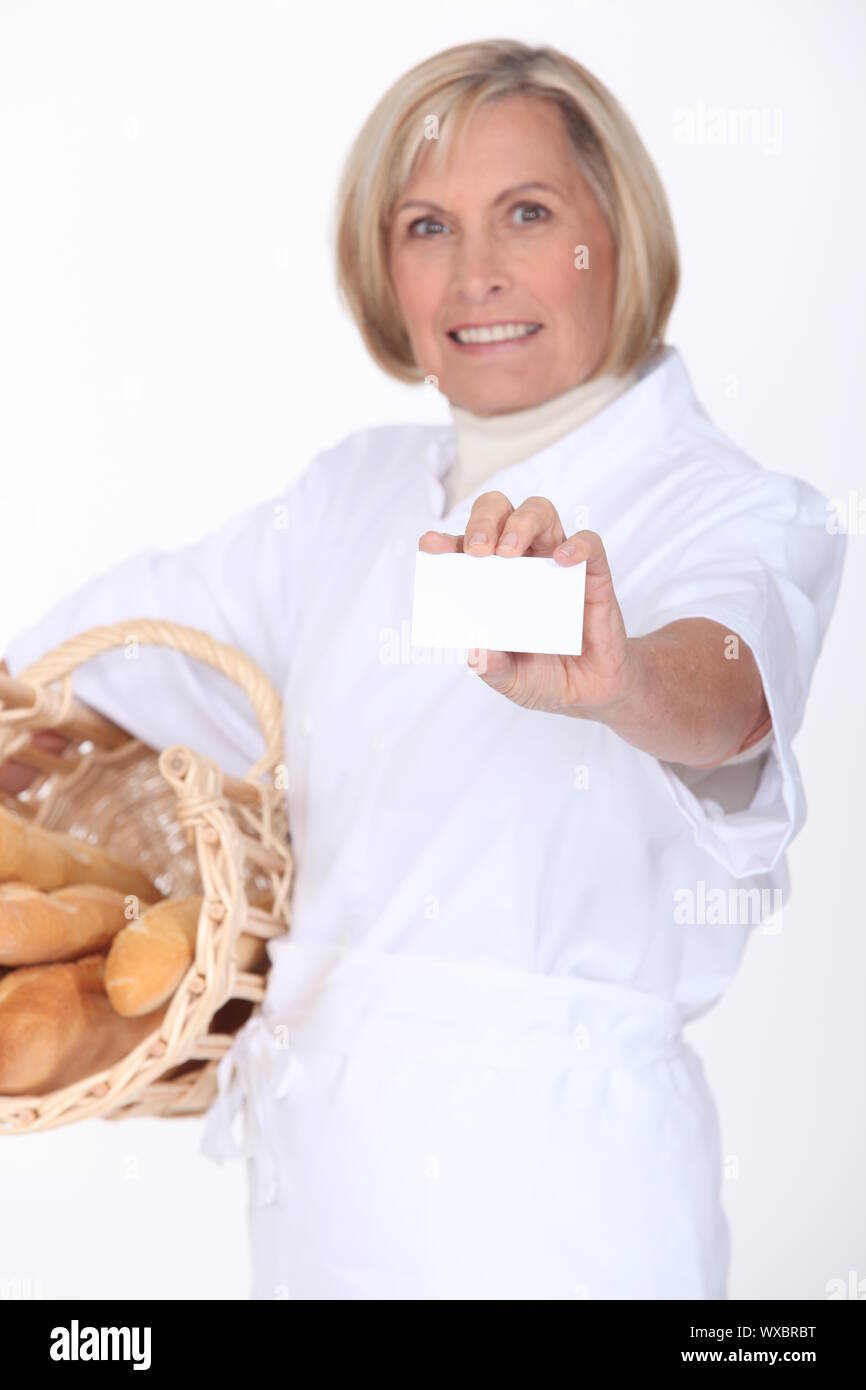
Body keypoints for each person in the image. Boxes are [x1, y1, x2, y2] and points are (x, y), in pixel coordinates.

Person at [0, 40, 846, 1299]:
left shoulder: (730, 508)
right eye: (425, 225)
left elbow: (728, 693)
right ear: (381, 269)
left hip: (560, 1206)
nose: (476, 272)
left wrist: (615, 678)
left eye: (526, 213)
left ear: (616, 237)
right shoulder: (354, 495)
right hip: (325, 1193)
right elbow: (116, 653)